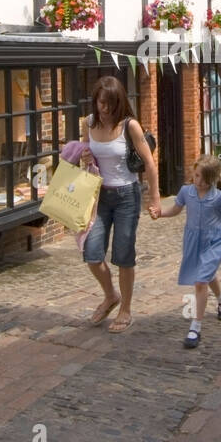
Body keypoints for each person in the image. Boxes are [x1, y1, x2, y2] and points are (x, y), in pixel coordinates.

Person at [79, 76, 160, 333]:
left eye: (109, 105)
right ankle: (110, 295)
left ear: (118, 104)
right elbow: (85, 158)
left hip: (127, 195)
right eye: (100, 103)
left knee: (123, 254)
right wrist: (84, 155)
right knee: (92, 253)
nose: (103, 109)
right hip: (99, 196)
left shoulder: (130, 126)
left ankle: (125, 308)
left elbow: (149, 163)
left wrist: (155, 200)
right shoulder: (88, 123)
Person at [154, 154, 221, 348]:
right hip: (193, 241)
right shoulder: (186, 192)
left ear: (212, 179)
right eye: (196, 175)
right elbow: (176, 209)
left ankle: (196, 327)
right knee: (207, 274)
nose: (197, 180)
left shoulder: (218, 198)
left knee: (201, 280)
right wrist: (160, 213)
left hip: (214, 241)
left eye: (202, 177)